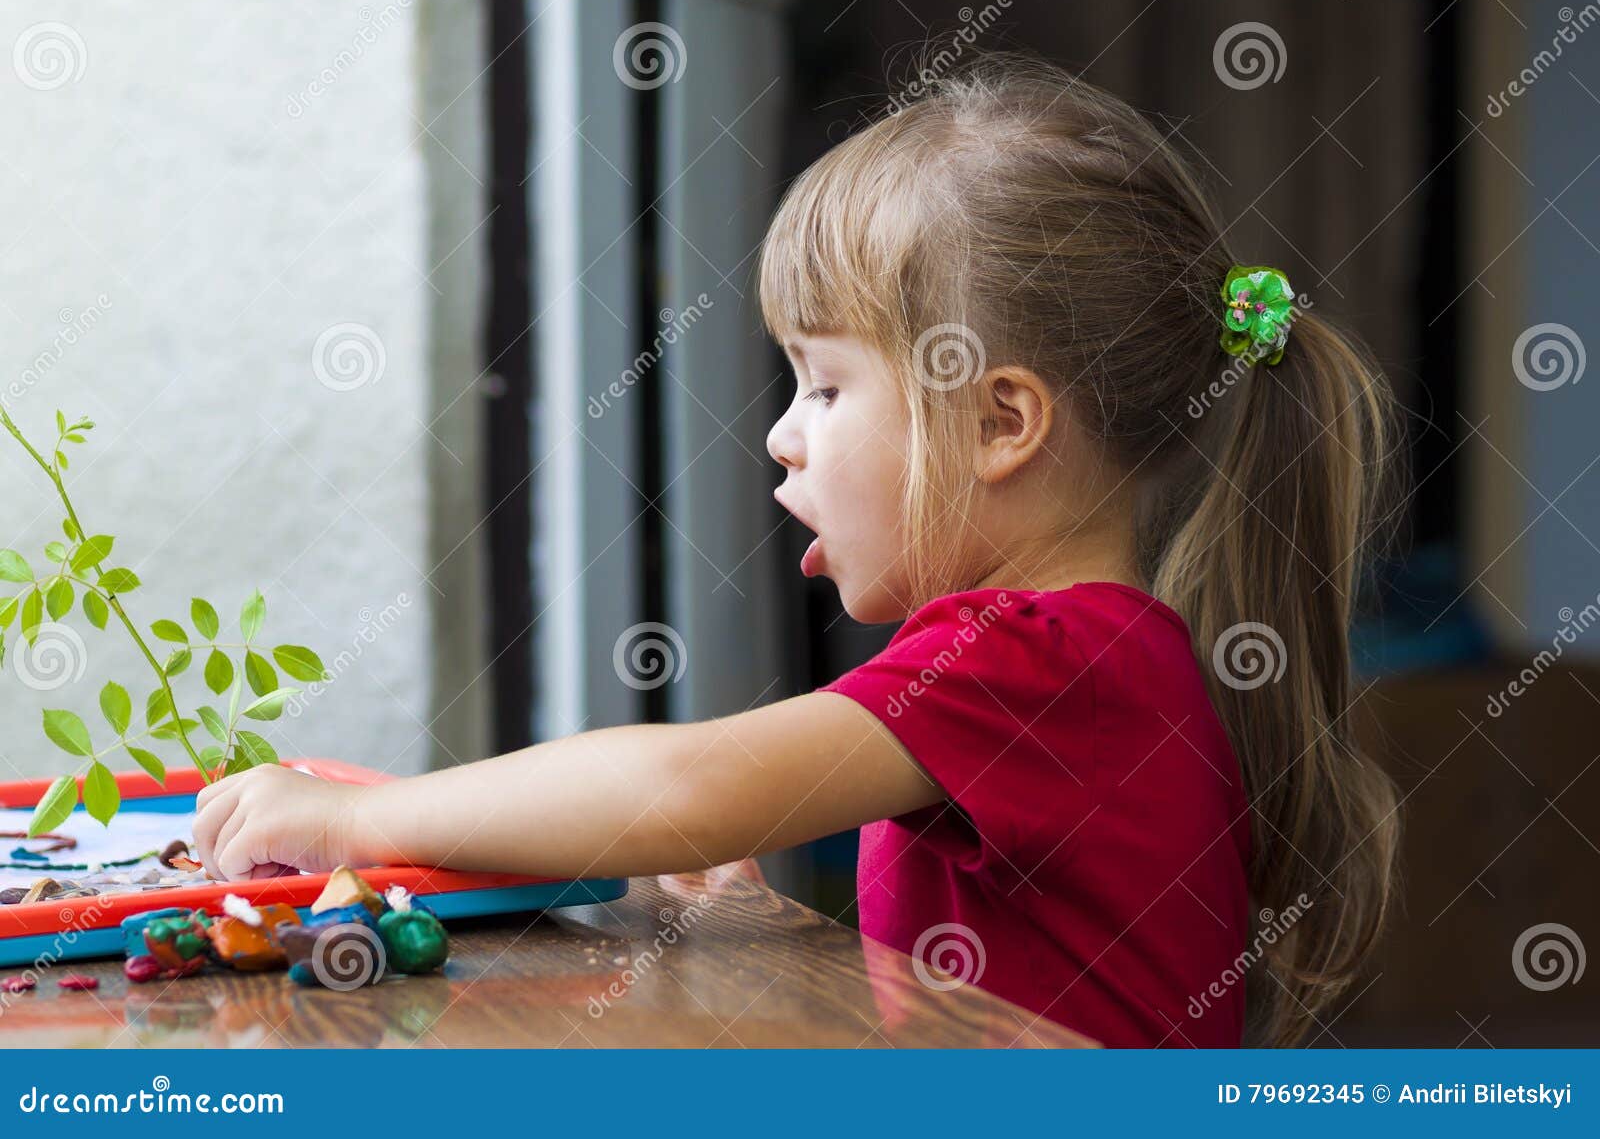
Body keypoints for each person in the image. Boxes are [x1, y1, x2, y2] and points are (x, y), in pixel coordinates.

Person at [195, 55, 1402, 1048]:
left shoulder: (1042, 657)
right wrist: (768, 931)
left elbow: (684, 790)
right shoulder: (1083, 653)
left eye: (825, 386)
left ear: (998, 422)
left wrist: (366, 821)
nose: (780, 435)